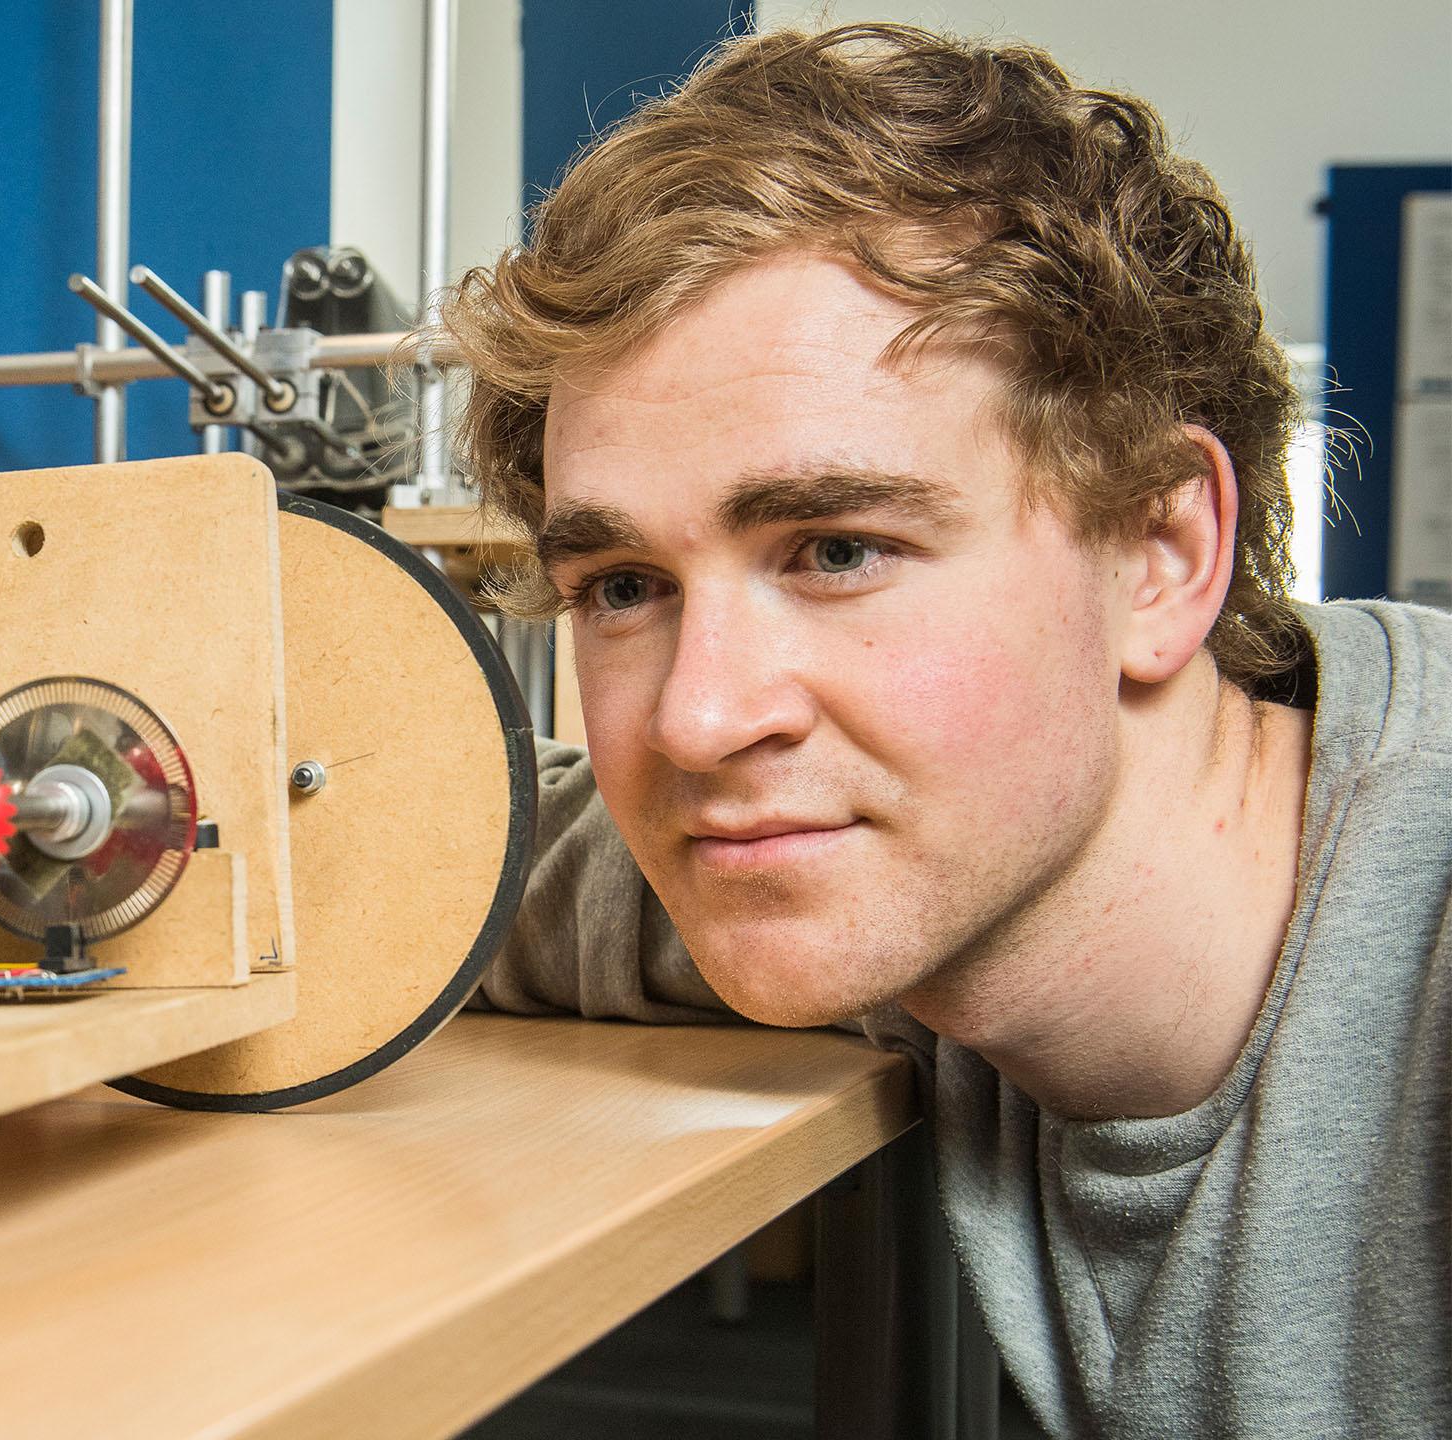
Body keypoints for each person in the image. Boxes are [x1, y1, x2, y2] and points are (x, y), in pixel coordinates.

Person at [439, 23, 1449, 1438]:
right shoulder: (860, 861)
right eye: (622, 587)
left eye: (836, 551)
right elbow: (458, 858)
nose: (701, 718)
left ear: (1160, 554)